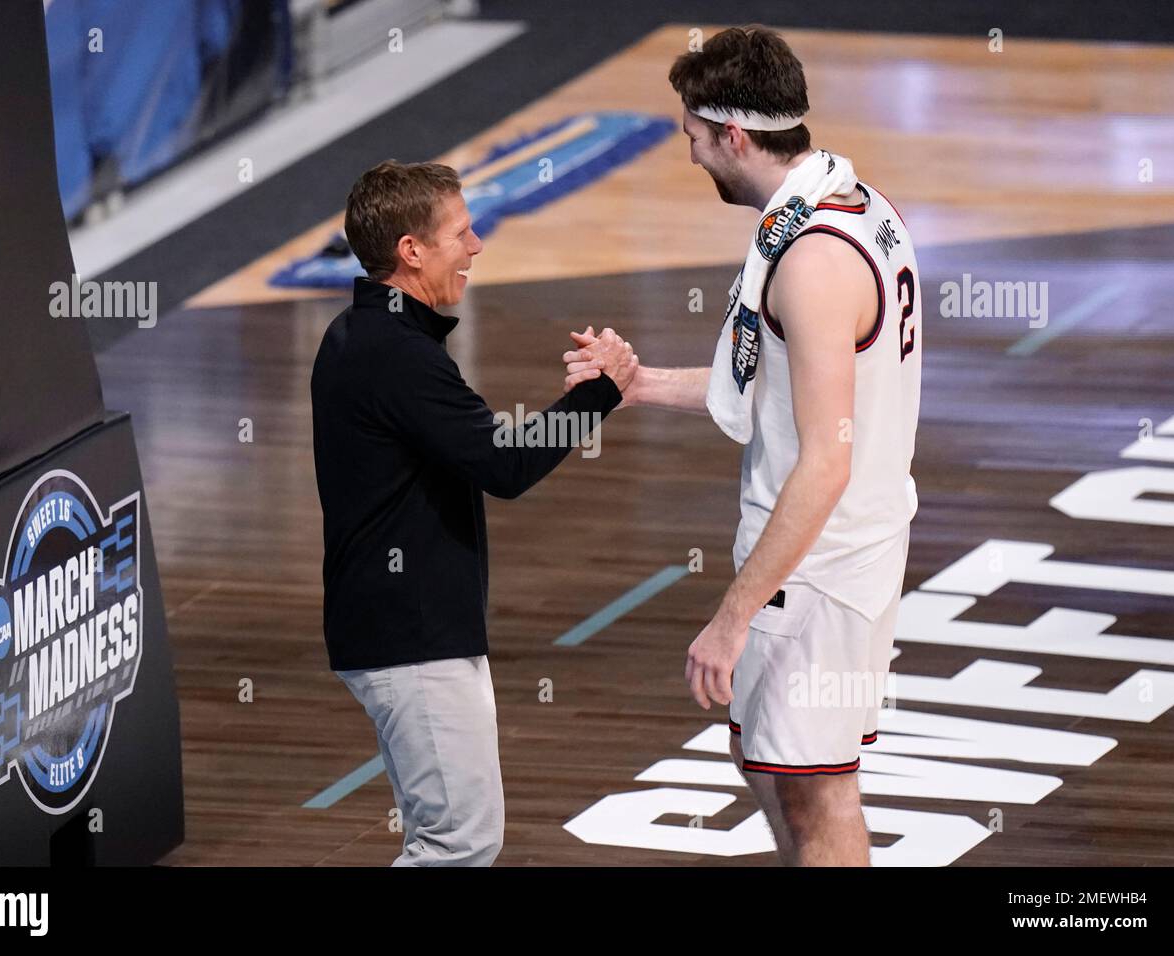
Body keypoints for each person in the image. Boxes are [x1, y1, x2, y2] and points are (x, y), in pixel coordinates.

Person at [565, 26, 921, 866]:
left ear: (733, 133)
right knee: (772, 768)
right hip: (843, 551)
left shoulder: (809, 259)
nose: (689, 156)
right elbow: (776, 390)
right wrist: (642, 382)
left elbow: (825, 461)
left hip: (822, 565)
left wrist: (733, 618)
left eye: (692, 136)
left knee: (816, 796)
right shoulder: (848, 200)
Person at [311, 160, 636, 866]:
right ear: (411, 250)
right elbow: (504, 466)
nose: (478, 245)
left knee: (444, 839)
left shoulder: (366, 337)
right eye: (462, 232)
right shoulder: (396, 355)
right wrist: (600, 392)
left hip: (402, 628)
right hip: (412, 636)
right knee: (457, 845)